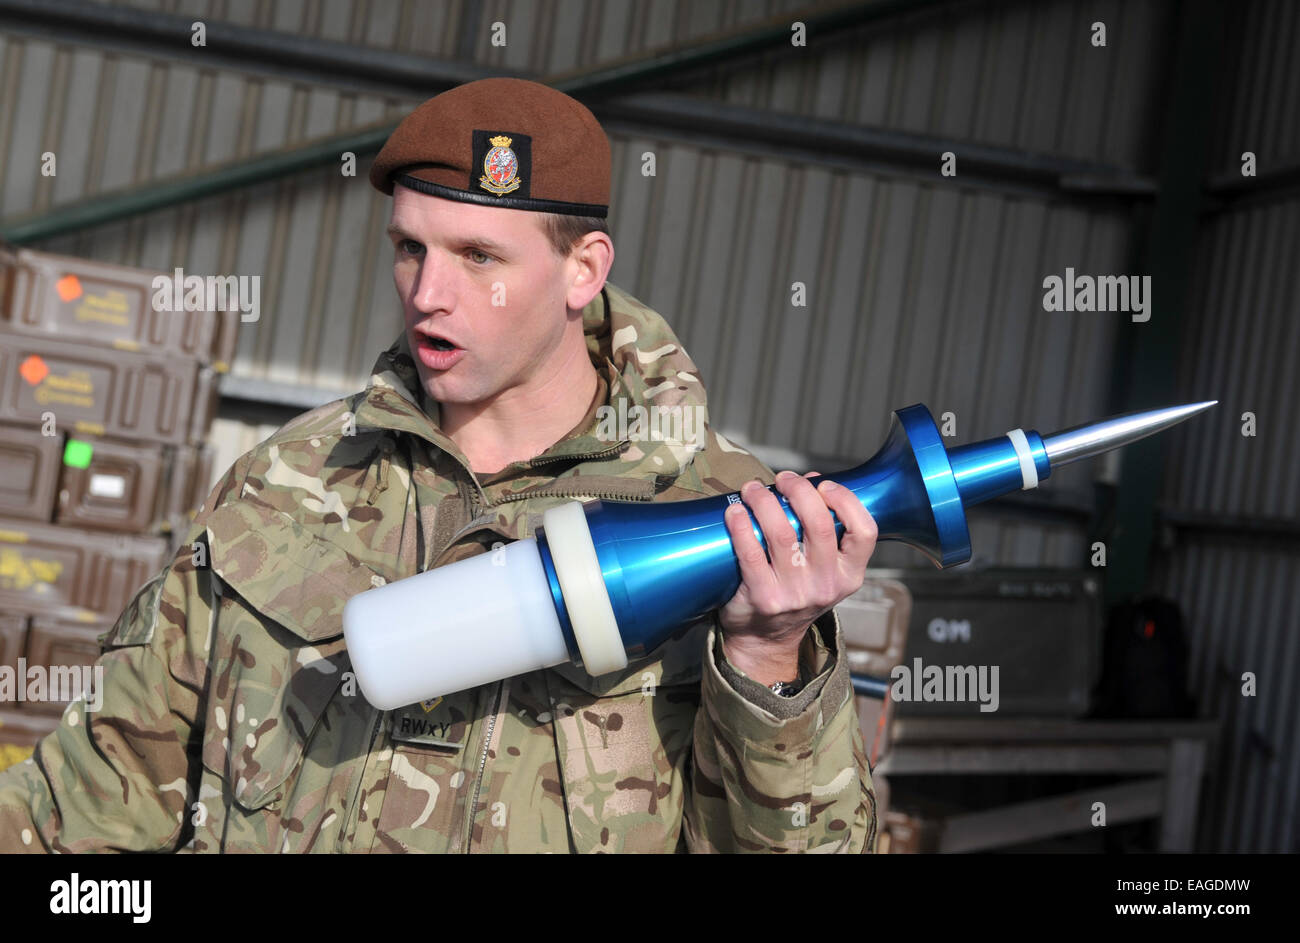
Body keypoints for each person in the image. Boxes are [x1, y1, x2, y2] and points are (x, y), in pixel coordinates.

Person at [0, 77, 879, 853]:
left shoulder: (730, 524)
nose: (428, 293)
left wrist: (768, 656)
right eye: (410, 247)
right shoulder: (290, 483)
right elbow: (91, 799)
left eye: (478, 256)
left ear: (584, 270)